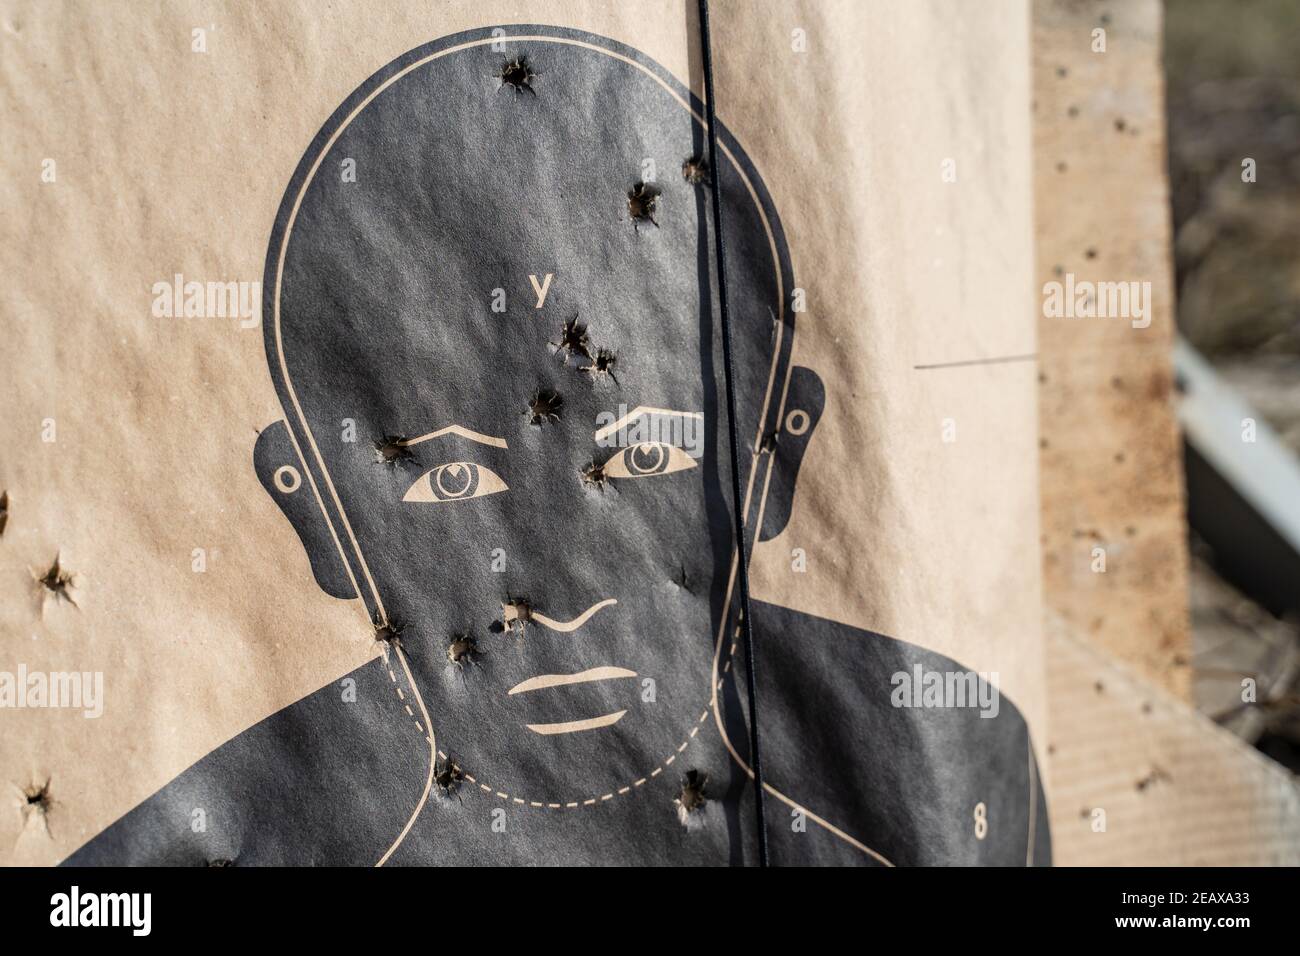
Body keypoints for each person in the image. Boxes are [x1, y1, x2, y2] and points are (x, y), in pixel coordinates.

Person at [66, 25, 1049, 867]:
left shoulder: (951, 754)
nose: (562, 591)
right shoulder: (167, 848)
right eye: (451, 476)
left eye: (647, 456)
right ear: (315, 505)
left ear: (775, 447)